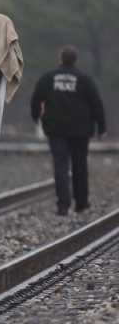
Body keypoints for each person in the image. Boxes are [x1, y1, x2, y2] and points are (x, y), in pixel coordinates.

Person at [30, 46, 107, 216]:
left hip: (56, 130)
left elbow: (36, 98)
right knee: (80, 166)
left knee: (60, 167)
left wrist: (36, 116)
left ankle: (63, 205)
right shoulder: (84, 79)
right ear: (75, 59)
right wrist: (101, 127)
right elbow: (96, 103)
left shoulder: (48, 78)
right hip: (81, 130)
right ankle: (81, 203)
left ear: (60, 58)